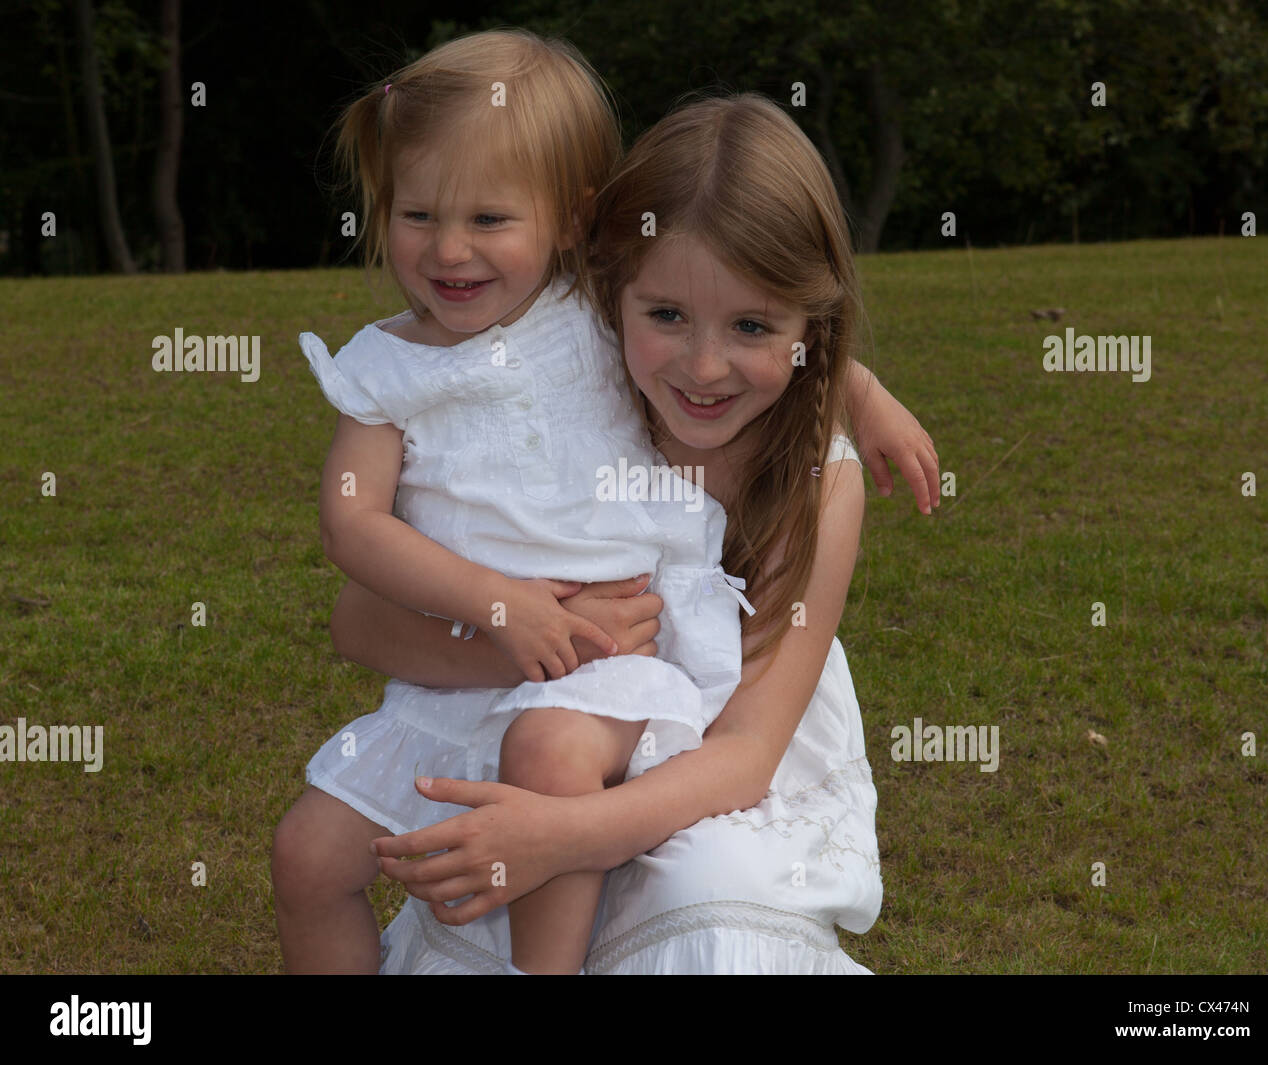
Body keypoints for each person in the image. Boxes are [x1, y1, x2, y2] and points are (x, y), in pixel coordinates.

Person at [342, 92, 941, 974]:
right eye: (664, 316)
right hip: (552, 737)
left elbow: (744, 752)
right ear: (605, 291)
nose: (703, 369)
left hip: (726, 786)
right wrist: (538, 643)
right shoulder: (565, 391)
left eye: (750, 327)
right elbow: (358, 622)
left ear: (810, 325)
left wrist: (562, 834)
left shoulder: (818, 478)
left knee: (706, 898)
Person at [273, 30, 754, 976]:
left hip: (606, 667)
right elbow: (351, 519)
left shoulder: (593, 305)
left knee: (546, 751)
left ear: (570, 221)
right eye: (417, 214)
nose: (448, 249)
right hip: (452, 675)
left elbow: (744, 327)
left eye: (490, 219)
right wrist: (496, 602)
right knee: (307, 854)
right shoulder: (387, 367)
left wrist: (865, 396)